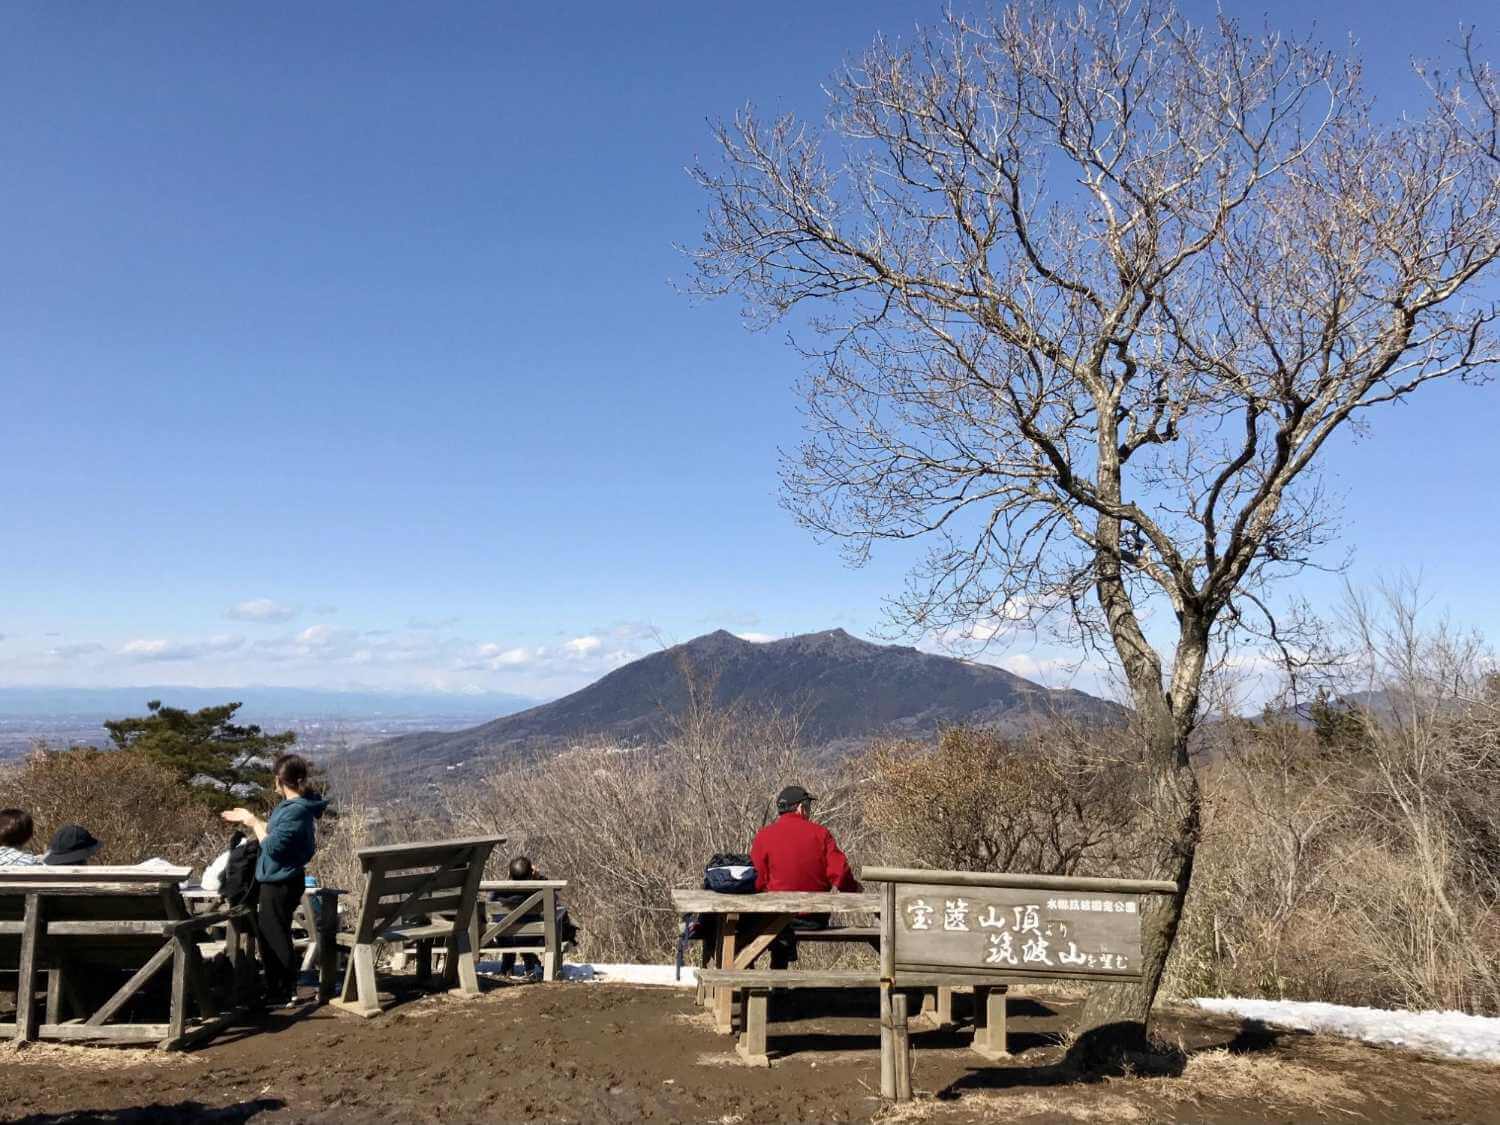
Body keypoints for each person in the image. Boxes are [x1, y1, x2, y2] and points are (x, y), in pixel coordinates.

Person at [221, 754, 328, 1008]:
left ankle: (284, 989)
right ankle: (279, 987)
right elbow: (278, 833)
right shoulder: (294, 808)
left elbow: (272, 846)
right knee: (272, 932)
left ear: (279, 780)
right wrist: (253, 819)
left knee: (274, 936)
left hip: (280, 880)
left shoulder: (296, 810)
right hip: (281, 878)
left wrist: (252, 822)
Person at [750, 785, 860, 968]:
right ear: (801, 807)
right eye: (808, 806)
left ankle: (757, 984)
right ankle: (779, 981)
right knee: (781, 927)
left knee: (751, 931)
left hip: (774, 917)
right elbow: (840, 875)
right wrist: (855, 888)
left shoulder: (764, 836)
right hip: (813, 918)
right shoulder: (820, 834)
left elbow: (757, 880)